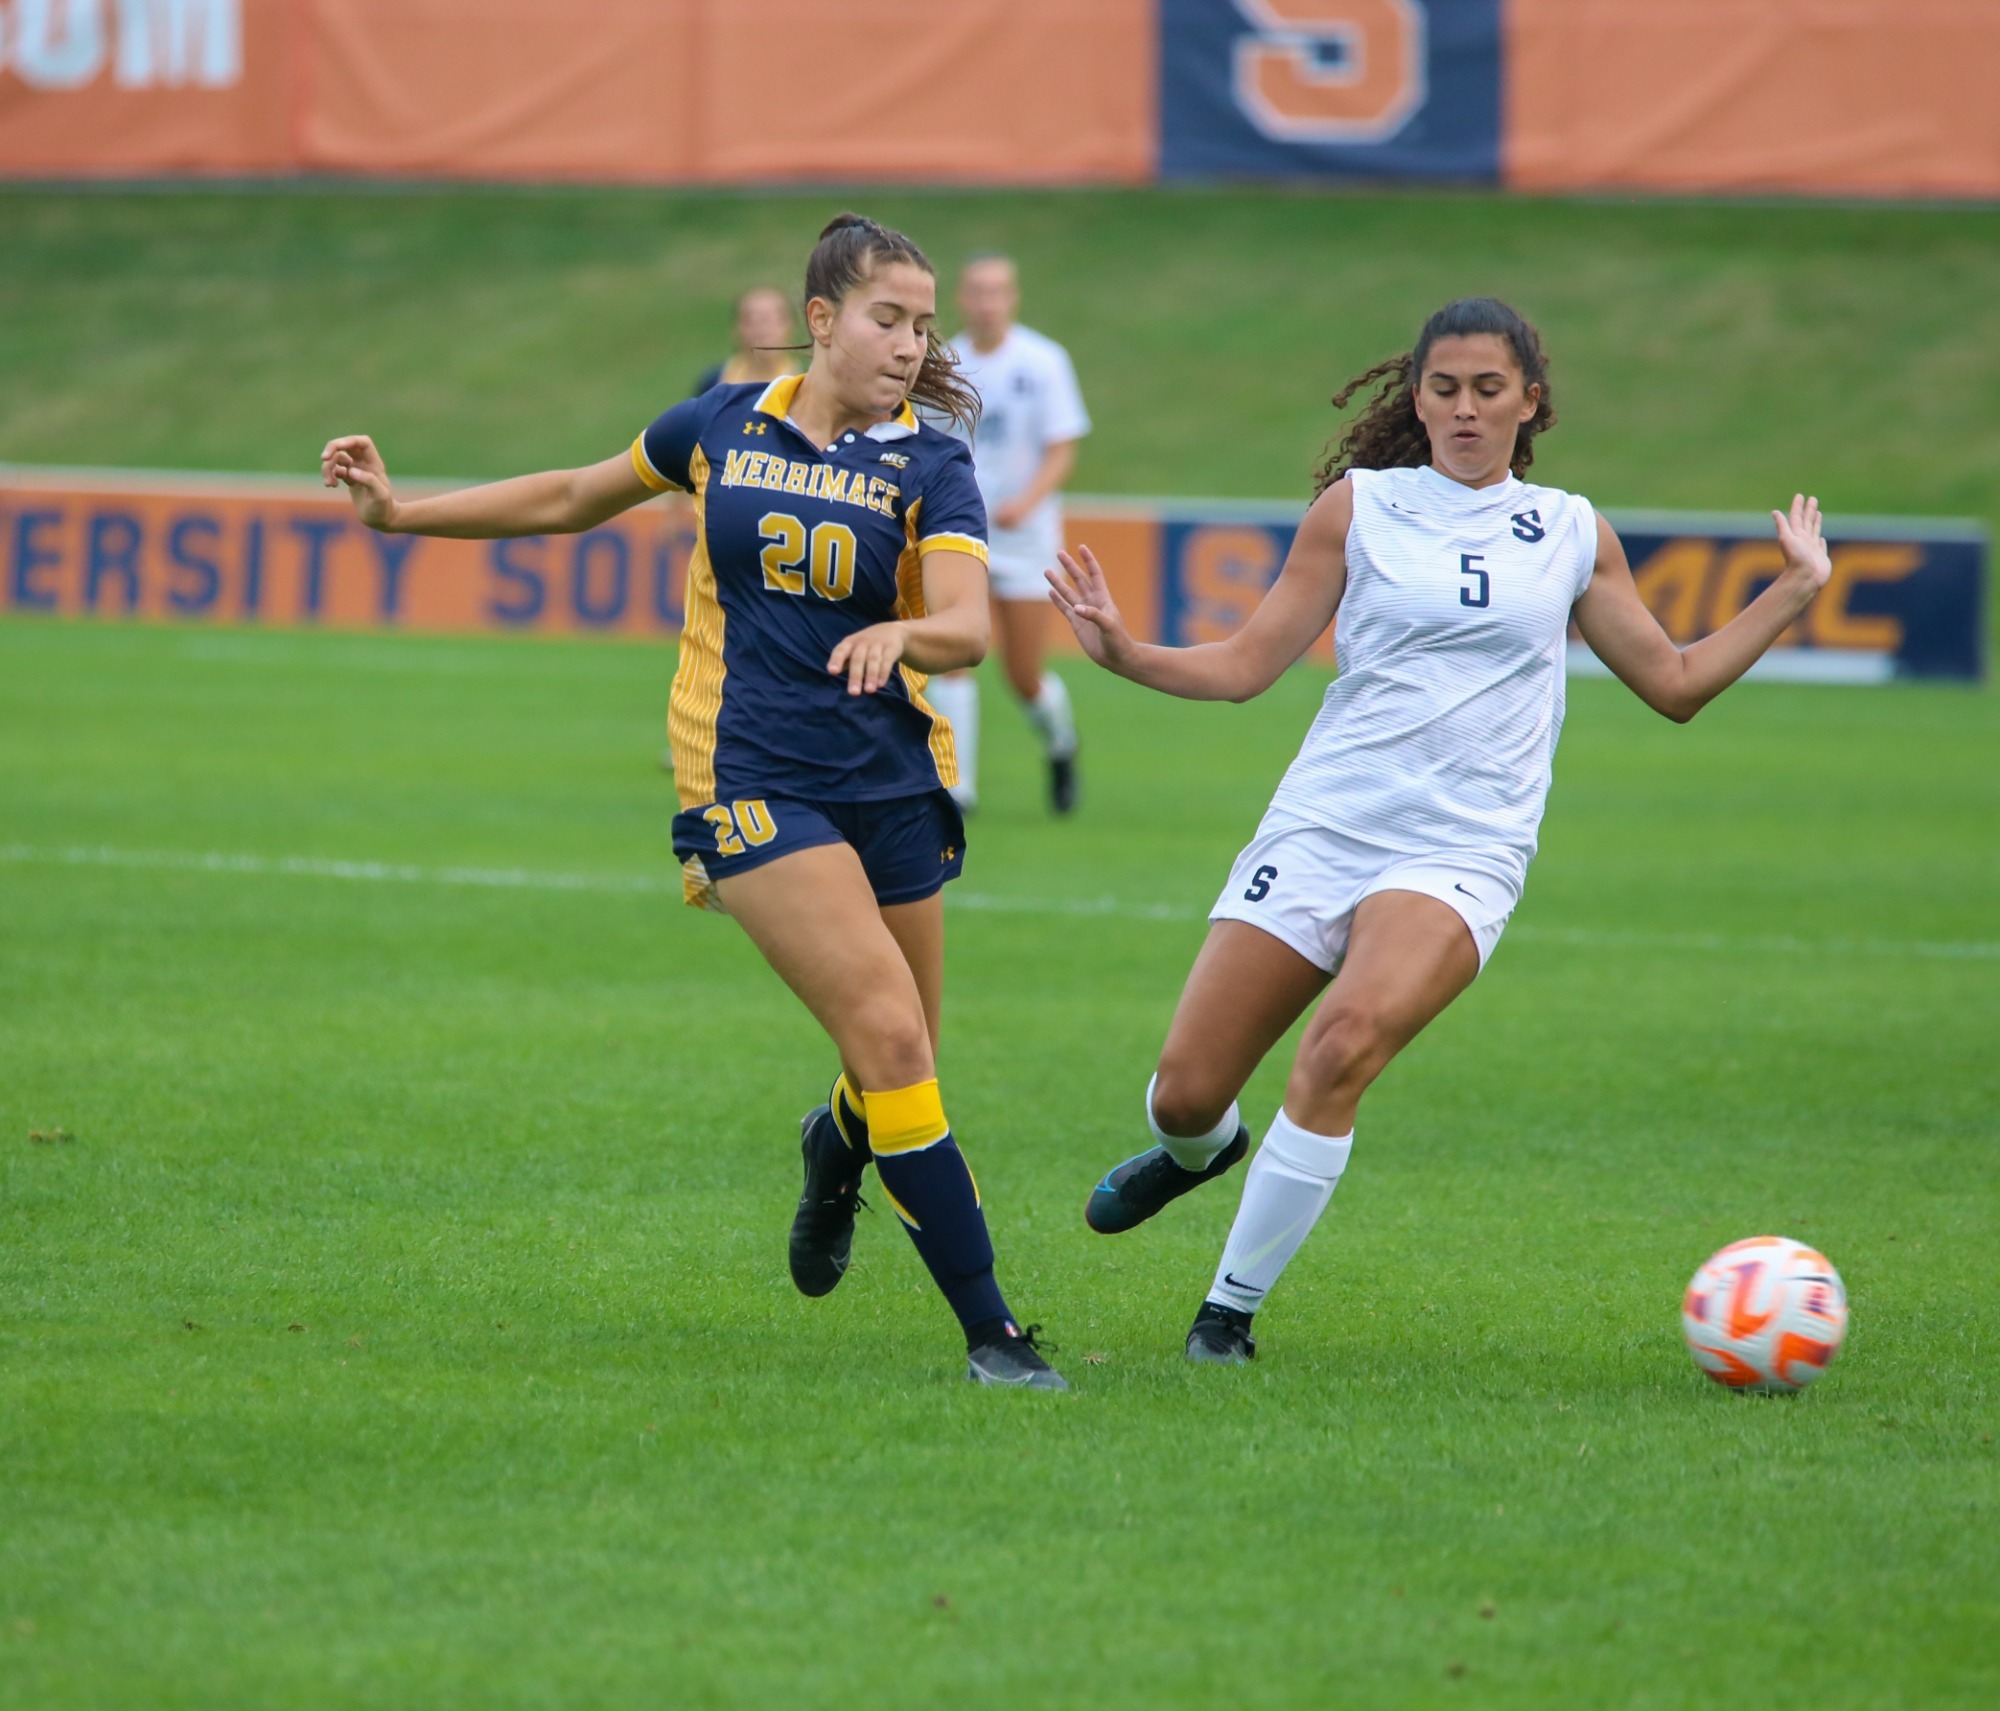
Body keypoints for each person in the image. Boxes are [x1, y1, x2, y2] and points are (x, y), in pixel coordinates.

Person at [321, 214, 1067, 1391]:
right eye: (887, 318)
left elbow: (970, 629)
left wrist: (906, 627)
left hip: (888, 782)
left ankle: (835, 1149)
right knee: (884, 1036)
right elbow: (572, 493)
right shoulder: (719, 424)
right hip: (750, 781)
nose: (908, 343)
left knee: (906, 1058)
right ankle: (995, 1334)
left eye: (920, 325)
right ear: (818, 320)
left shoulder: (929, 463)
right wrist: (400, 513)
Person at [1048, 297, 1832, 1366]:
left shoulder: (1568, 530)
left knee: (1338, 1049)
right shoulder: (1356, 507)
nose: (1464, 409)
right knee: (1184, 1093)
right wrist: (1127, 653)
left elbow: (1675, 682)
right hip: (1325, 822)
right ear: (1415, 398)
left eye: (1488, 389)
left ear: (1529, 402)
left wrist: (1792, 589)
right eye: (1445, 388)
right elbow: (1242, 667)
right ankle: (1197, 1154)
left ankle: (1223, 1318)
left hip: (1460, 850)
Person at [923, 254, 1090, 815]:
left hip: (1023, 539)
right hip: (959, 532)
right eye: (977, 291)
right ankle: (958, 788)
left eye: (997, 291)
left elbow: (1063, 446)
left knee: (1022, 675)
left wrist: (1028, 501)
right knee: (953, 654)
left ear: (1012, 298)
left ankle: (1061, 742)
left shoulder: (1043, 361)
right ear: (961, 299)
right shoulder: (943, 363)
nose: (987, 302)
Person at [691, 286, 802, 397]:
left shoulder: (804, 386)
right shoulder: (713, 383)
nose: (762, 330)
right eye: (752, 321)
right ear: (735, 329)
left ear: (790, 325)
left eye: (768, 320)